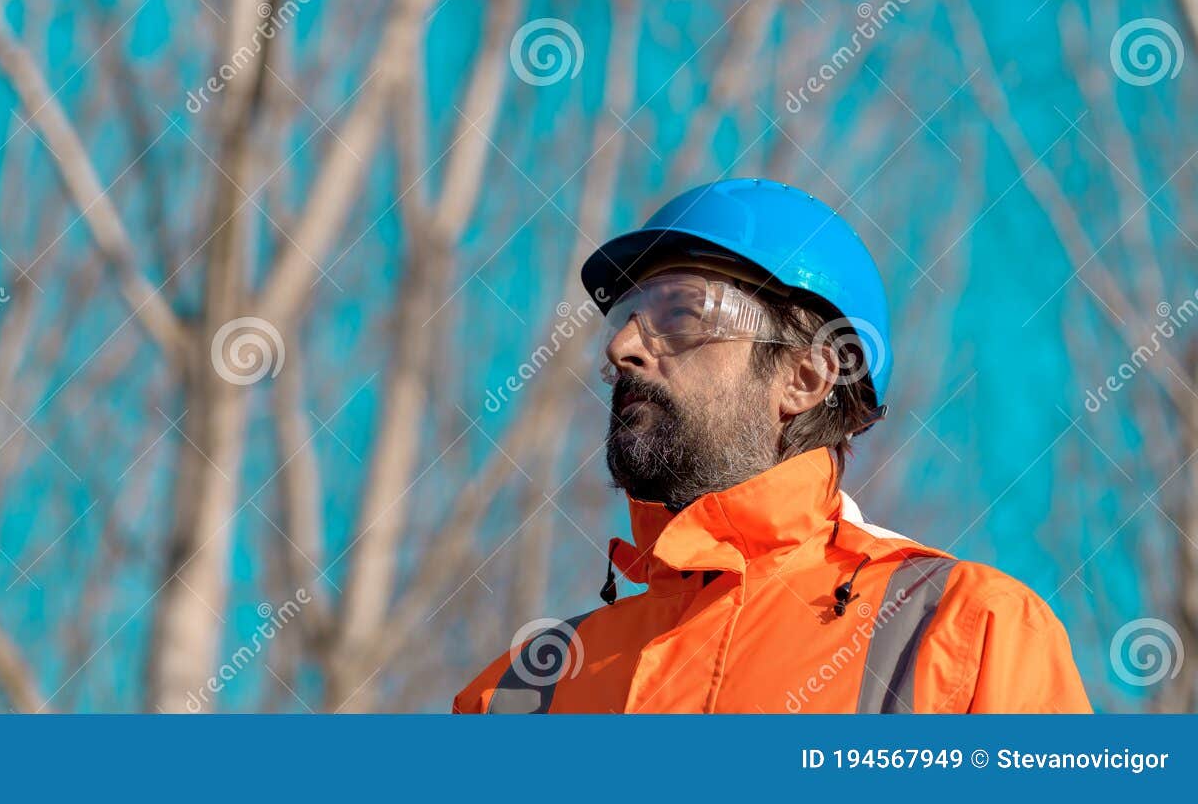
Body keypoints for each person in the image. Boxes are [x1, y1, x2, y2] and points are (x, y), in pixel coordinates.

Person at [453, 178, 1091, 713]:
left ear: (805, 378)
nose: (623, 348)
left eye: (681, 315)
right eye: (627, 317)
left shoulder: (967, 636)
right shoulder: (520, 693)